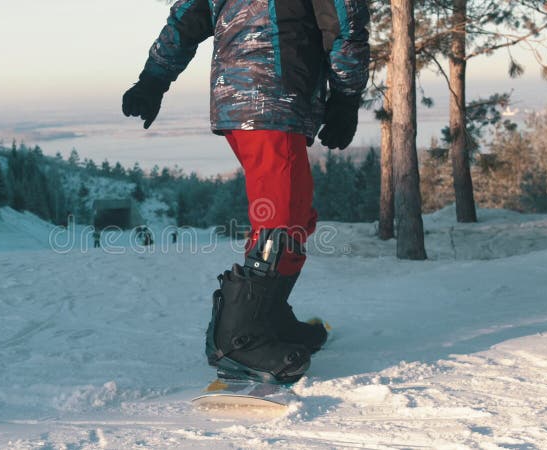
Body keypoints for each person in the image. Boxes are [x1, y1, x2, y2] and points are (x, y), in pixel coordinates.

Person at [123, 0, 370, 383]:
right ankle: (239, 340)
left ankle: (268, 317)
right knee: (280, 218)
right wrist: (346, 95)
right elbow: (344, 19)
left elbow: (186, 17)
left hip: (240, 101)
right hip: (276, 94)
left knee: (295, 215)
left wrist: (155, 77)